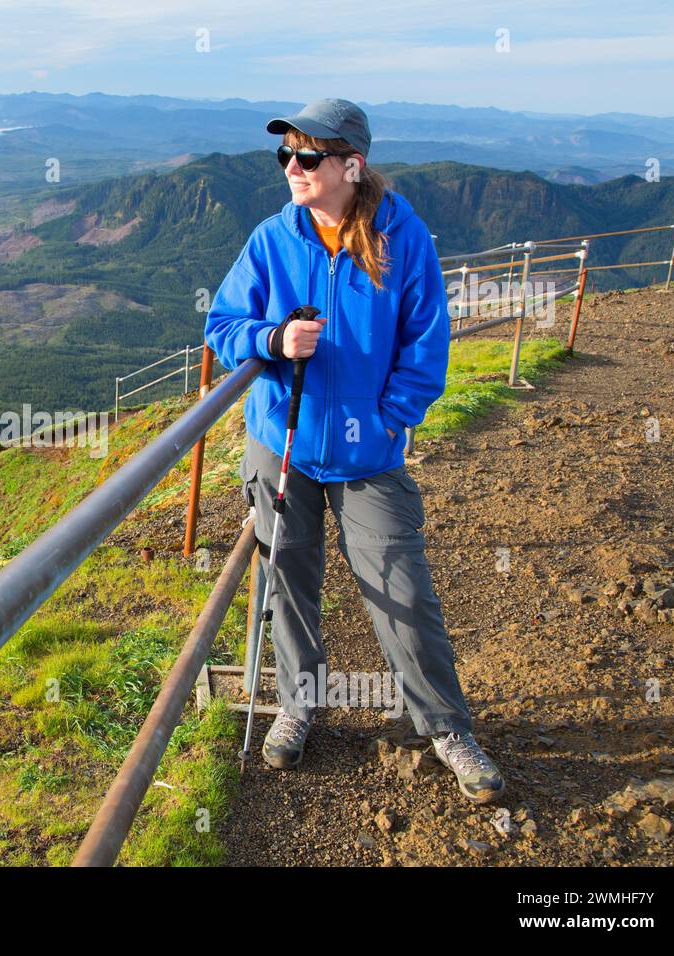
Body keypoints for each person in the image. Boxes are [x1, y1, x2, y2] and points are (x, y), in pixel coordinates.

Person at [203, 98, 504, 804]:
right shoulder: (273, 238)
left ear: (350, 165)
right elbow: (223, 323)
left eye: (309, 157)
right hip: (283, 446)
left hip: (368, 456)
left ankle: (446, 727)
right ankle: (299, 706)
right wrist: (272, 340)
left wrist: (388, 421)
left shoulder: (405, 239)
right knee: (290, 589)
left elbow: (426, 344)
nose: (293, 169)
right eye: (287, 156)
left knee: (401, 591)